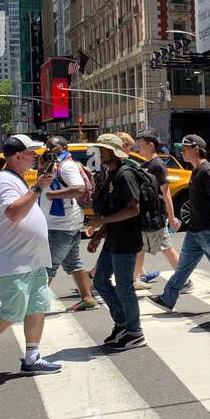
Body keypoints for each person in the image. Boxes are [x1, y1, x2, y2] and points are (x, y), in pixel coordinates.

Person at [0, 135, 61, 377]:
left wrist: (37, 185)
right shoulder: (4, 181)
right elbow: (13, 213)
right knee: (12, 312)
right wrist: (38, 187)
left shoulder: (17, 179)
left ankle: (32, 357)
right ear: (18, 155)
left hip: (32, 258)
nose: (35, 157)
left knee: (37, 307)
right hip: (14, 260)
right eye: (31, 153)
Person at [150, 135, 210, 312]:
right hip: (194, 230)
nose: (181, 151)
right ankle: (168, 298)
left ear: (196, 149)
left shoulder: (207, 170)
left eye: (185, 148)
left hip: (207, 229)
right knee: (183, 266)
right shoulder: (195, 169)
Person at [86, 134, 146, 350]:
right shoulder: (110, 174)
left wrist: (102, 221)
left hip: (127, 240)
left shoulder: (125, 174)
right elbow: (113, 209)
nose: (99, 153)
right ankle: (122, 322)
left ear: (113, 152)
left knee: (124, 287)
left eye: (102, 150)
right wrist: (100, 234)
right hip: (113, 239)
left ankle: (134, 331)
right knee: (101, 281)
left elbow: (133, 208)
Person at [38, 136, 97, 312]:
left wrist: (51, 196)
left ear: (64, 147)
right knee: (73, 263)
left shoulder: (67, 165)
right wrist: (42, 166)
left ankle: (36, 307)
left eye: (53, 147)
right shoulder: (54, 165)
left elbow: (79, 188)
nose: (49, 149)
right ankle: (88, 299)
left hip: (62, 225)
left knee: (48, 265)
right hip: (64, 223)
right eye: (47, 147)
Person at [133, 131, 181, 289]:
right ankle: (137, 278)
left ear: (151, 145)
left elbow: (166, 194)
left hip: (156, 215)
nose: (137, 148)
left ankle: (184, 279)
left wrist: (172, 217)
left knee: (166, 248)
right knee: (139, 246)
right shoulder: (146, 165)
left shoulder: (157, 166)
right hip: (147, 215)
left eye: (140, 145)